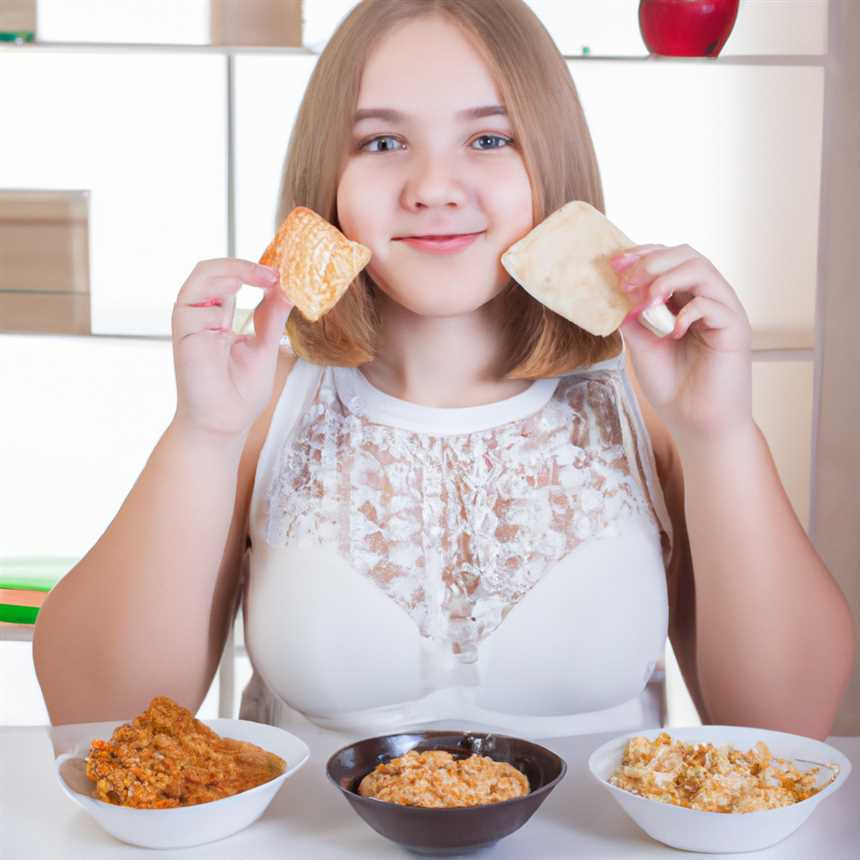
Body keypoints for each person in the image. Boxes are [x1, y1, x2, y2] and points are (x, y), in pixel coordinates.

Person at [34, 0, 853, 741]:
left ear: (553, 168)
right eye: (382, 142)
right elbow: (97, 720)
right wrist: (203, 435)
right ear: (330, 184)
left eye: (489, 138)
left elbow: (786, 728)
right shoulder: (258, 406)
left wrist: (720, 438)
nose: (432, 186)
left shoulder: (654, 406)